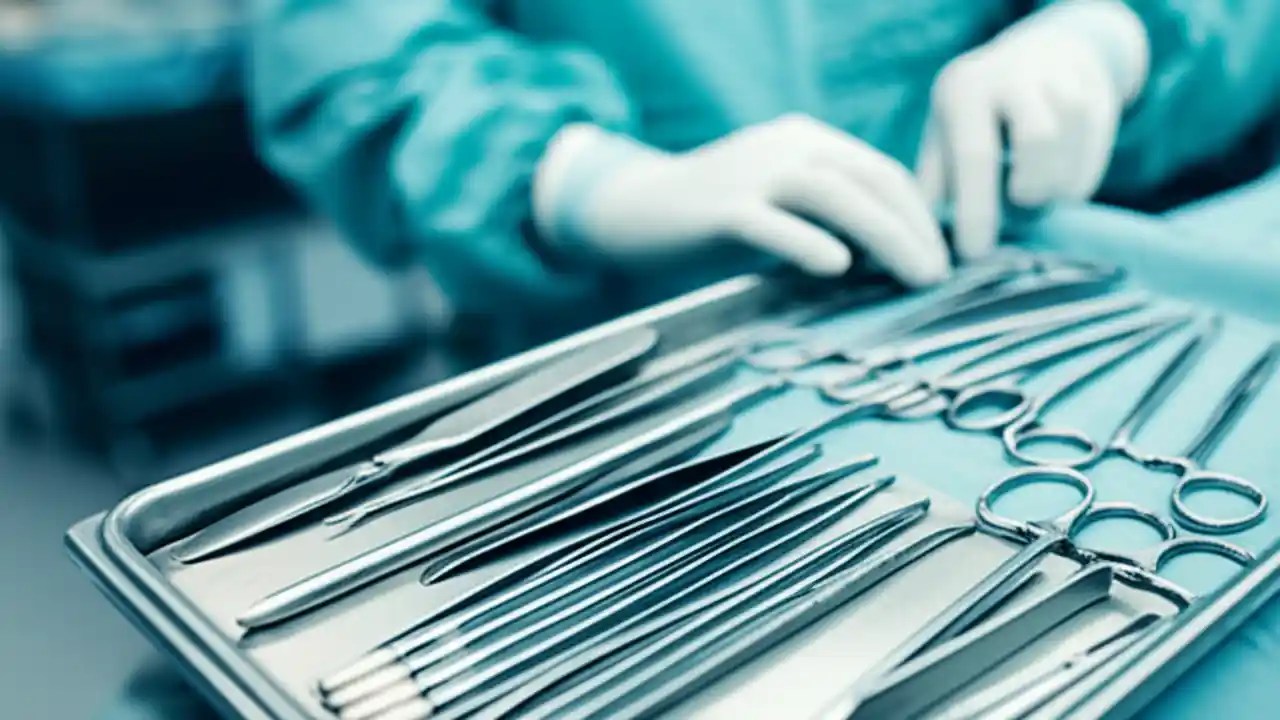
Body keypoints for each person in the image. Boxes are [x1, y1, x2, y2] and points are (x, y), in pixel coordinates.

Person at [248, 0, 1280, 341]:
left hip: (1013, 319)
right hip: (633, 361)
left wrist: (1121, 30)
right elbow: (347, 41)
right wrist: (575, 178)